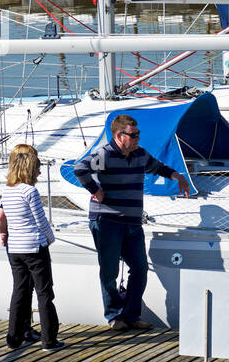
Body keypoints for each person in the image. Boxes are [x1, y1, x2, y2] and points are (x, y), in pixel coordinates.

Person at [73, 114, 189, 331]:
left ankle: (132, 315)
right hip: (107, 220)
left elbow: (159, 167)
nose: (137, 138)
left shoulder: (140, 154)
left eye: (138, 134)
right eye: (133, 135)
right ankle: (115, 316)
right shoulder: (104, 155)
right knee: (109, 271)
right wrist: (95, 190)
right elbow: (80, 168)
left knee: (140, 268)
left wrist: (177, 176)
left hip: (133, 222)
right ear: (119, 135)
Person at [0, 144, 62, 351]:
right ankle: (49, 340)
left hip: (15, 249)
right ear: (29, 170)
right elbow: (41, 221)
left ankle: (13, 338)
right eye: (37, 168)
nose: (39, 172)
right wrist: (50, 240)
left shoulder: (7, 191)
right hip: (34, 248)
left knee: (20, 291)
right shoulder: (30, 191)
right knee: (44, 293)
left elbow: (4, 217)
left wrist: (4, 235)